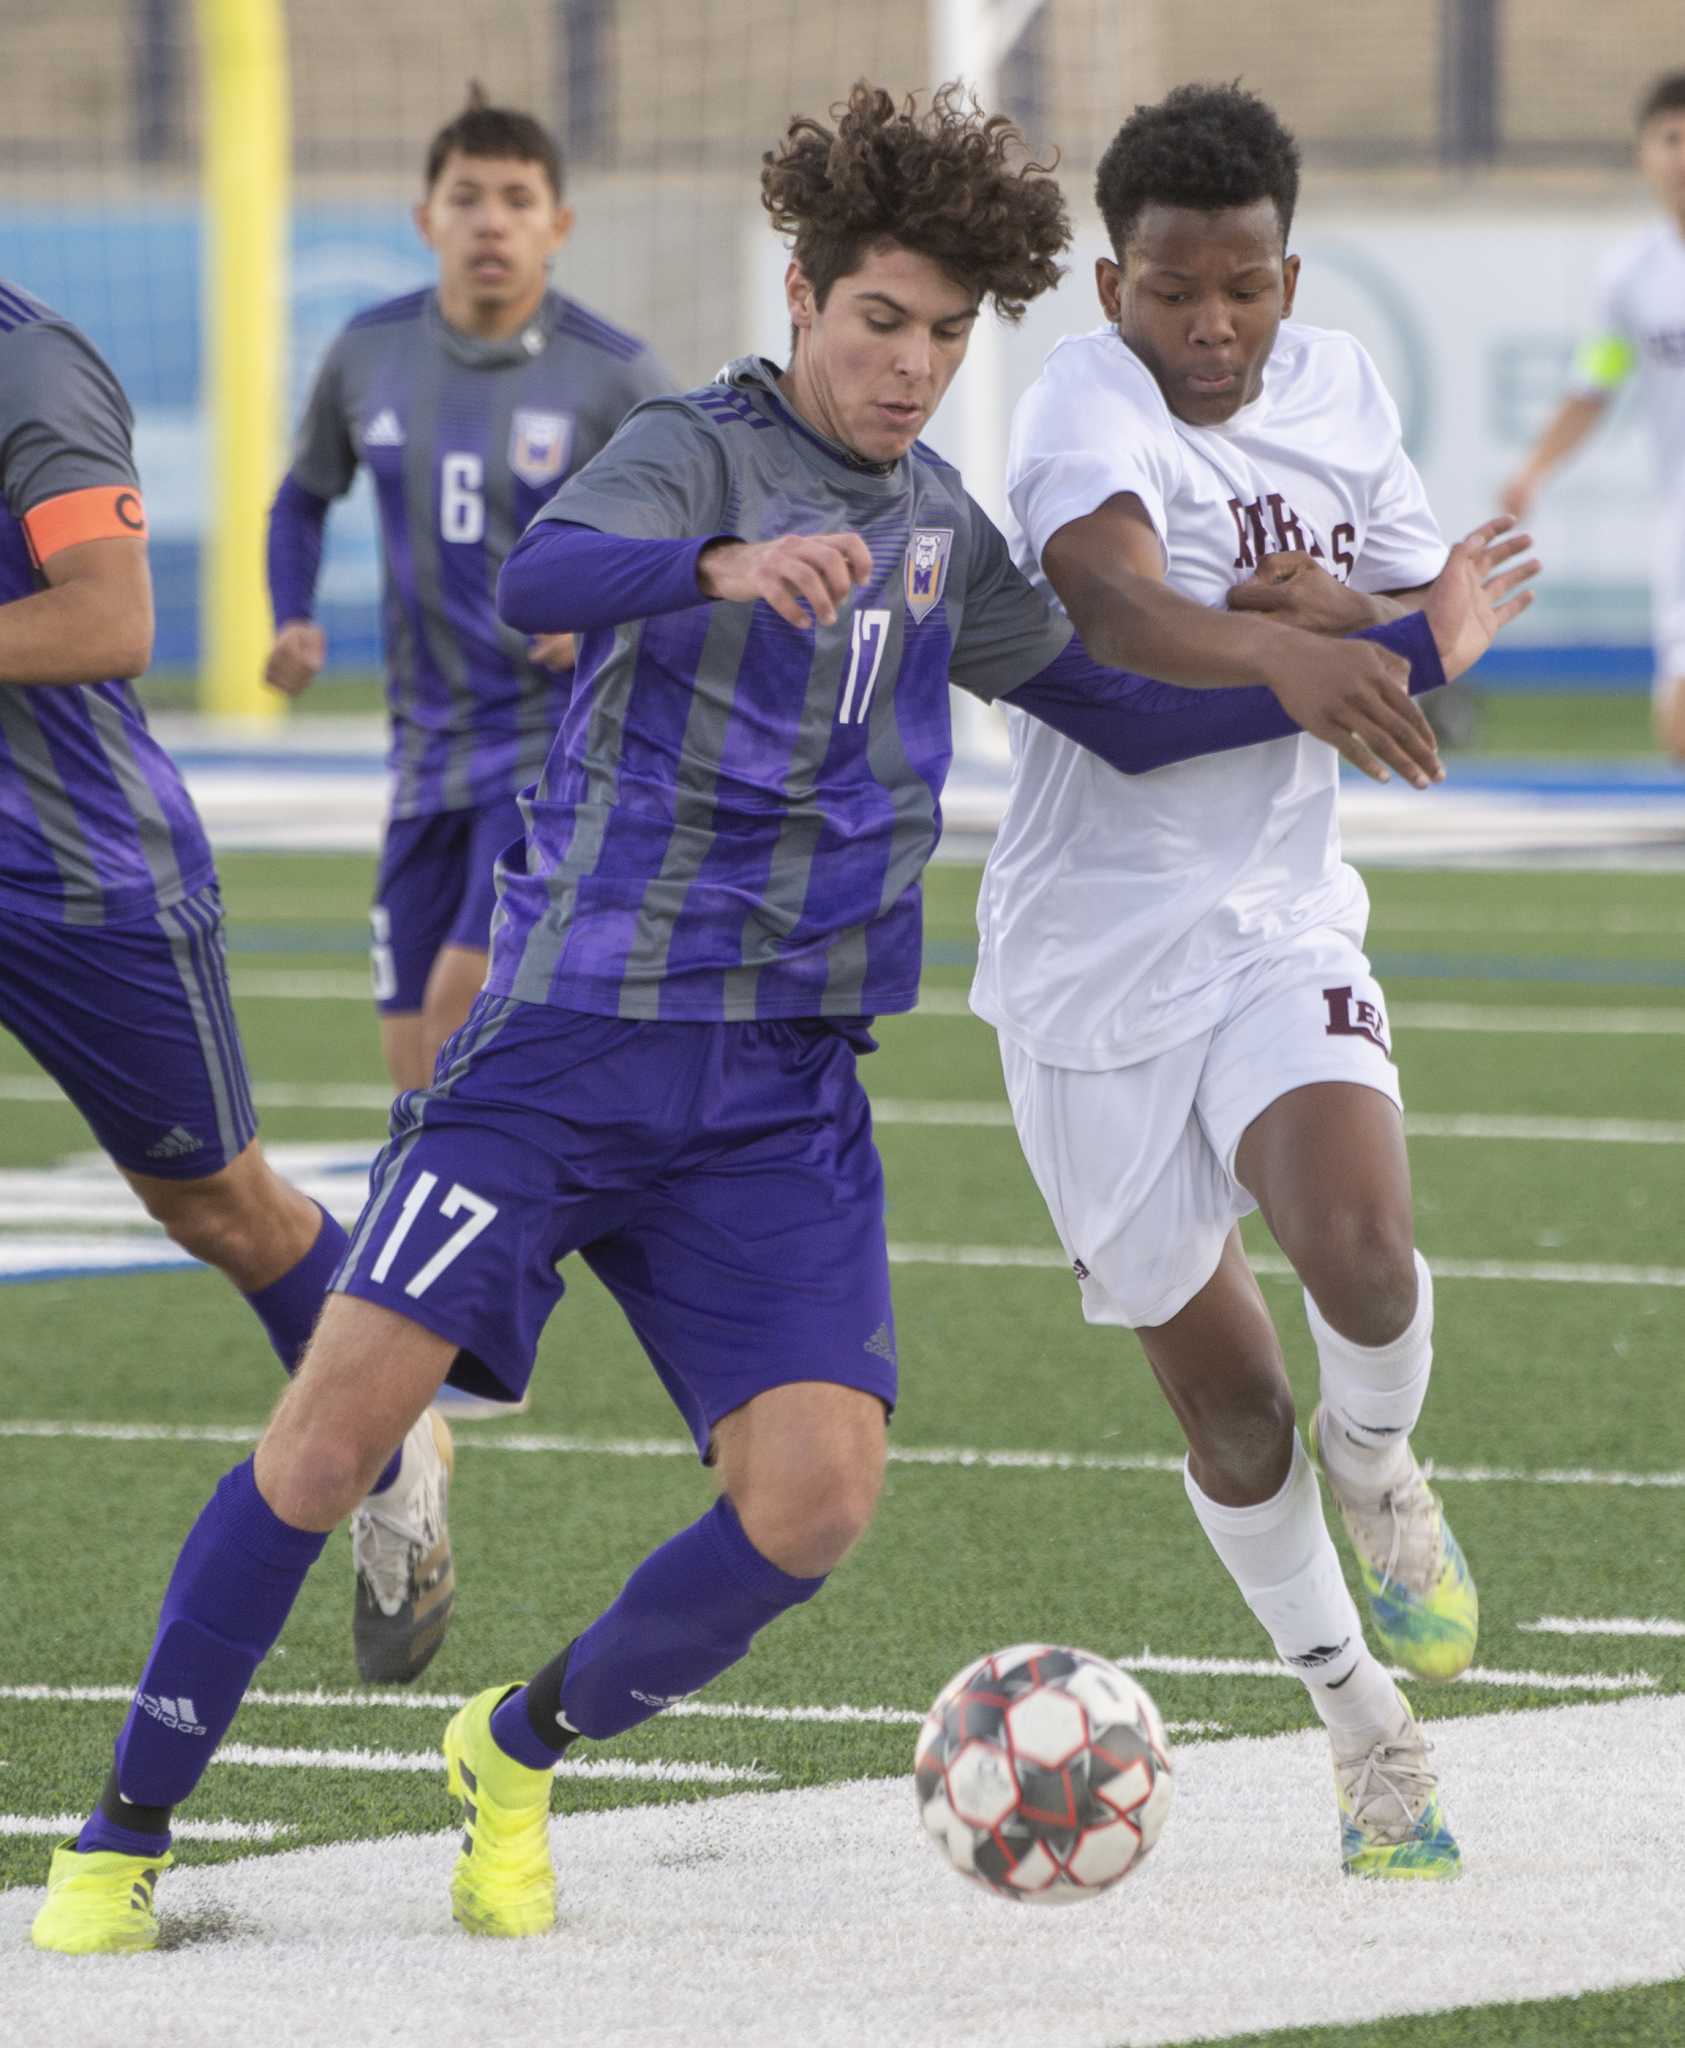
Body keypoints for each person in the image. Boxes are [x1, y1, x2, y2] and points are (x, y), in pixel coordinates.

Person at [34, 81, 1504, 1956]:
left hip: (782, 1088)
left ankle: (518, 1747)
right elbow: (534, 575)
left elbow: (1119, 711)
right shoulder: (692, 448)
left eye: (947, 335)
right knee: (327, 1447)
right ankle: (123, 1831)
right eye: (880, 322)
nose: (910, 367)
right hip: (564, 1050)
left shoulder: (947, 528)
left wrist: (1371, 657)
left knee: (812, 1505)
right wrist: (713, 565)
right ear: (803, 296)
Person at [971, 83, 1538, 1882]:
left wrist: (1368, 629)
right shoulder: (1077, 406)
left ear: (1289, 275)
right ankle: (1363, 1721)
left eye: (1242, 291)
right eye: (1169, 294)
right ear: (1108, 286)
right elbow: (1121, 609)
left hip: (1281, 915)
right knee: (1231, 1411)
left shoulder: (1345, 386)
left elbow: (1405, 633)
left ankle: (1386, 1464)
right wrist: (1318, 646)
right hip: (1084, 970)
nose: (1209, 330)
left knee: (1362, 1248)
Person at [0, 280, 454, 1686]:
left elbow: (109, 620)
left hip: (73, 874)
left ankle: (395, 1446)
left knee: (219, 1206)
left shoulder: (31, 370)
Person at [265, 85, 672, 1099]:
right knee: (410, 1069)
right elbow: (301, 497)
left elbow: (707, 542)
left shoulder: (615, 375)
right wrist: (293, 616)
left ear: (558, 225)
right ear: (425, 218)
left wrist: (617, 621)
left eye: (518, 199)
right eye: (467, 197)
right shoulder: (367, 350)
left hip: (550, 749)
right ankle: (469, 1246)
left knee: (459, 1003)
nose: (491, 220)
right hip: (421, 757)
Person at [1501, 69, 1685, 762]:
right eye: (1669, 138)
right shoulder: (1630, 277)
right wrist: (1535, 469)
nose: (1681, 155)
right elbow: (1595, 385)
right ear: (1644, 153)